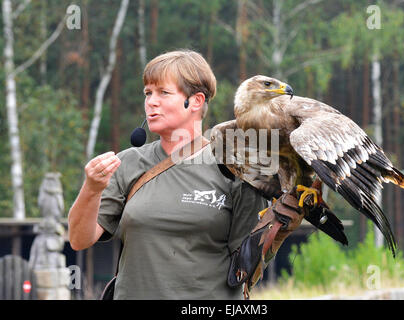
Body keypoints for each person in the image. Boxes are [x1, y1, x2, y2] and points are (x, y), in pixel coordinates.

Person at [68, 49, 304, 300]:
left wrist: (276, 229)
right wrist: (92, 188)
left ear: (196, 101)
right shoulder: (128, 163)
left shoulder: (236, 166)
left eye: (163, 93)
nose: (151, 101)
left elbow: (247, 263)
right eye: (148, 93)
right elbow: (79, 239)